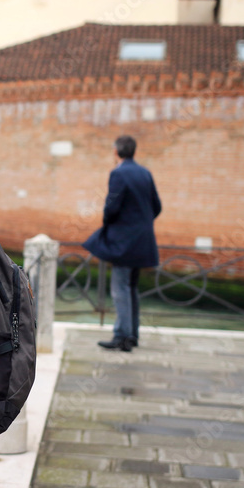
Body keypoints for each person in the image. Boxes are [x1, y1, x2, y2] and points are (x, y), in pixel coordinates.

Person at [83, 135, 162, 352]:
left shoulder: (118, 173)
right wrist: (141, 223)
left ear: (116, 152)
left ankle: (122, 336)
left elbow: (111, 208)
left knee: (120, 289)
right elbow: (157, 206)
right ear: (133, 151)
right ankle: (132, 334)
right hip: (143, 240)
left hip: (124, 242)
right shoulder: (145, 173)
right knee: (132, 288)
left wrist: (114, 224)